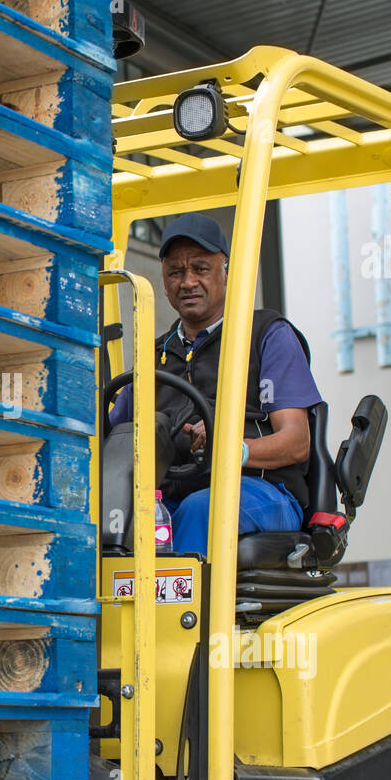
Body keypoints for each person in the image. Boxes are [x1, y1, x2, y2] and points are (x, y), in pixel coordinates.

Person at [108, 213, 322, 555]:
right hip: (174, 496)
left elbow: (297, 442)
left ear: (226, 270)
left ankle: (186, 608)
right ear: (164, 283)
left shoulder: (265, 334)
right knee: (114, 519)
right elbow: (115, 435)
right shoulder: (155, 354)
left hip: (262, 490)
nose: (187, 281)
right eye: (176, 272)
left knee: (201, 509)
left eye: (200, 269)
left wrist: (233, 448)